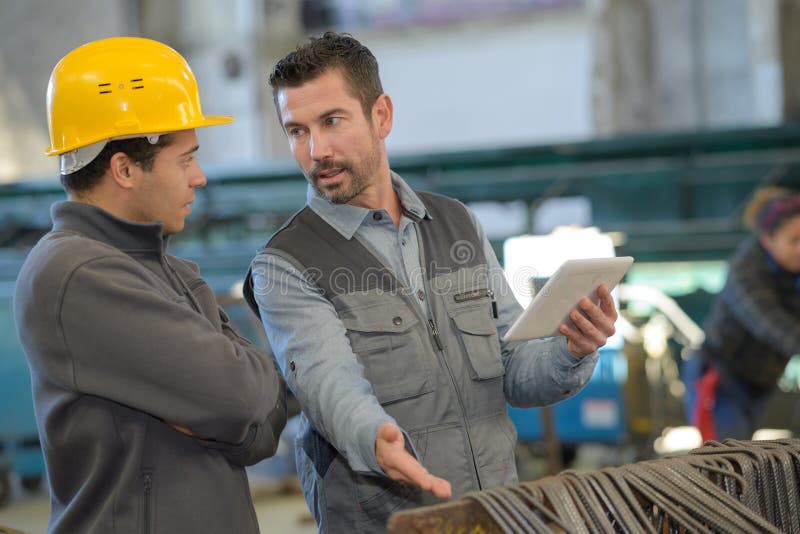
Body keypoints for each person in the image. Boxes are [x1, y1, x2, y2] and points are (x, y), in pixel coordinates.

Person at [244, 31, 618, 533]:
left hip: (495, 511)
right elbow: (327, 383)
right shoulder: (285, 264)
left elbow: (514, 370)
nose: (316, 151)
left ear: (381, 116)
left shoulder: (457, 225)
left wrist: (572, 351)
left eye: (331, 121)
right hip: (388, 521)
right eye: (296, 131)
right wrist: (376, 437)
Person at [14, 37, 287, 534]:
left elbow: (267, 415)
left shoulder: (168, 270)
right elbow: (244, 395)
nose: (199, 178)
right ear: (124, 168)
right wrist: (237, 402)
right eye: (185, 160)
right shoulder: (75, 273)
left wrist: (235, 407)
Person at [683, 187, 800, 441]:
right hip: (722, 379)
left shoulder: (793, 270)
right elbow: (770, 323)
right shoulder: (745, 272)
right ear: (768, 240)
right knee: (728, 461)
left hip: (761, 381)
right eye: (794, 241)